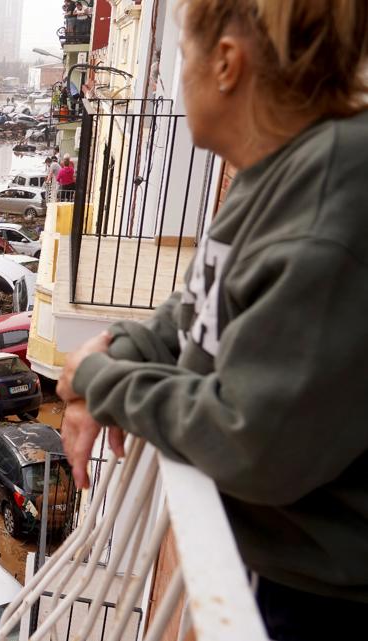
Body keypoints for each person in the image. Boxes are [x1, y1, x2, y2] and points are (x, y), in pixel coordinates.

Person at [55, 1, 368, 639]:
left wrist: (106, 382)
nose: (184, 71)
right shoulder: (273, 174)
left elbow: (252, 440)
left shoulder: (330, 202)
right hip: (280, 572)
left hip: (318, 603)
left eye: (187, 51)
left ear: (226, 62)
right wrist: (114, 354)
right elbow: (192, 312)